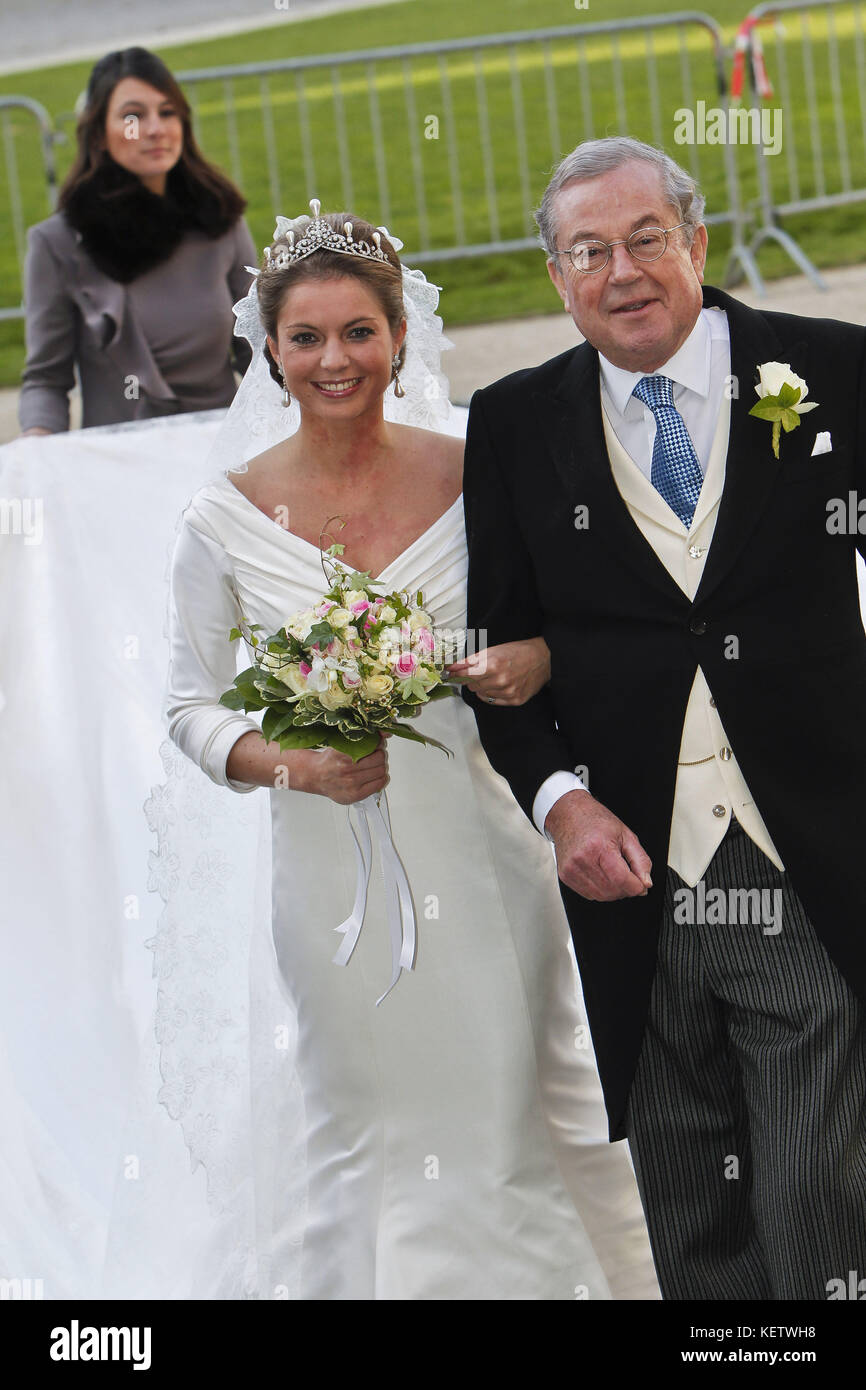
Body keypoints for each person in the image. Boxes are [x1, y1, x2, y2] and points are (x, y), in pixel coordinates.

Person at [159, 201, 657, 1300]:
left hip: (478, 848)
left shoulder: (481, 467)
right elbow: (189, 706)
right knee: (361, 1112)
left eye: (356, 333)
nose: (333, 360)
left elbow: (566, 623)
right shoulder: (224, 517)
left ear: (397, 337)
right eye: (304, 338)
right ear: (270, 350)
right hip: (327, 866)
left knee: (521, 1092)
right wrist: (295, 762)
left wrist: (526, 656)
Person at [463, 134, 866, 1301]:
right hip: (632, 873)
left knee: (812, 1200)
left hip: (803, 850)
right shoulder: (514, 422)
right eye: (588, 251)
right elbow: (498, 660)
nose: (621, 270)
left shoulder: (831, 370)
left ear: (693, 241)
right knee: (690, 1213)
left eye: (645, 238)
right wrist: (559, 801)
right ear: (555, 277)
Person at [18, 47, 256, 436]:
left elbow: (259, 355)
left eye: (167, 112)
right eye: (132, 117)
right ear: (98, 133)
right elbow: (46, 379)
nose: (154, 129)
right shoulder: (57, 244)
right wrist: (36, 452)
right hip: (117, 463)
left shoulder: (220, 219)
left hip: (219, 456)